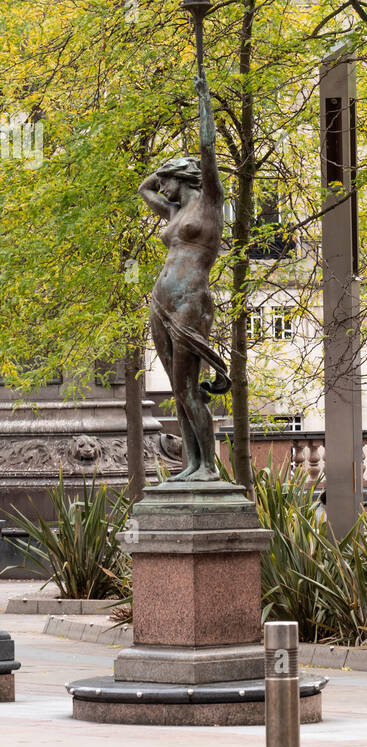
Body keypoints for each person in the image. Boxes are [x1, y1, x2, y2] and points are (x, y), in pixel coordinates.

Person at [139, 71, 230, 481]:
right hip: (162, 302)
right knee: (179, 391)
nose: (163, 188)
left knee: (190, 387)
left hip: (191, 302)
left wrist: (204, 99)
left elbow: (208, 151)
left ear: (184, 177)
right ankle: (191, 463)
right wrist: (157, 174)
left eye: (168, 181)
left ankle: (208, 468)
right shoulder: (174, 213)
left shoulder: (209, 203)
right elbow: (143, 189)